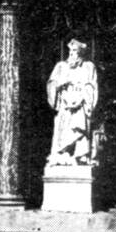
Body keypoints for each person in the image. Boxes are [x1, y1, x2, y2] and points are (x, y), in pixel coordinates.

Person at [46, 38, 98, 166]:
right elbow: (51, 85)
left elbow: (92, 86)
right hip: (65, 106)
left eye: (74, 51)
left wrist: (83, 98)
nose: (71, 53)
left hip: (80, 106)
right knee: (63, 133)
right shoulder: (61, 66)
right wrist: (60, 84)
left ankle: (79, 156)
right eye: (70, 51)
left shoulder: (88, 67)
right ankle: (62, 155)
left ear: (80, 53)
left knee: (79, 132)